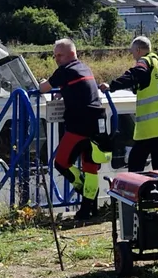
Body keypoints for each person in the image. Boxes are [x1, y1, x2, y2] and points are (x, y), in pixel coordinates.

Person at [39, 38, 111, 220]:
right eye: (55, 56)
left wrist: (43, 81)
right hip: (98, 122)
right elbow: (80, 89)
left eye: (59, 55)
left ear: (71, 53)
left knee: (61, 163)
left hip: (79, 124)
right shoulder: (85, 68)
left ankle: (82, 188)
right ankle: (89, 208)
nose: (56, 59)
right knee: (91, 166)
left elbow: (42, 88)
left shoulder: (65, 70)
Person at [99, 36, 158, 173]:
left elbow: (134, 74)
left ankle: (135, 191)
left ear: (138, 50)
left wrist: (111, 86)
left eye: (133, 52)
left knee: (136, 161)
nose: (133, 56)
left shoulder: (144, 62)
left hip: (149, 126)